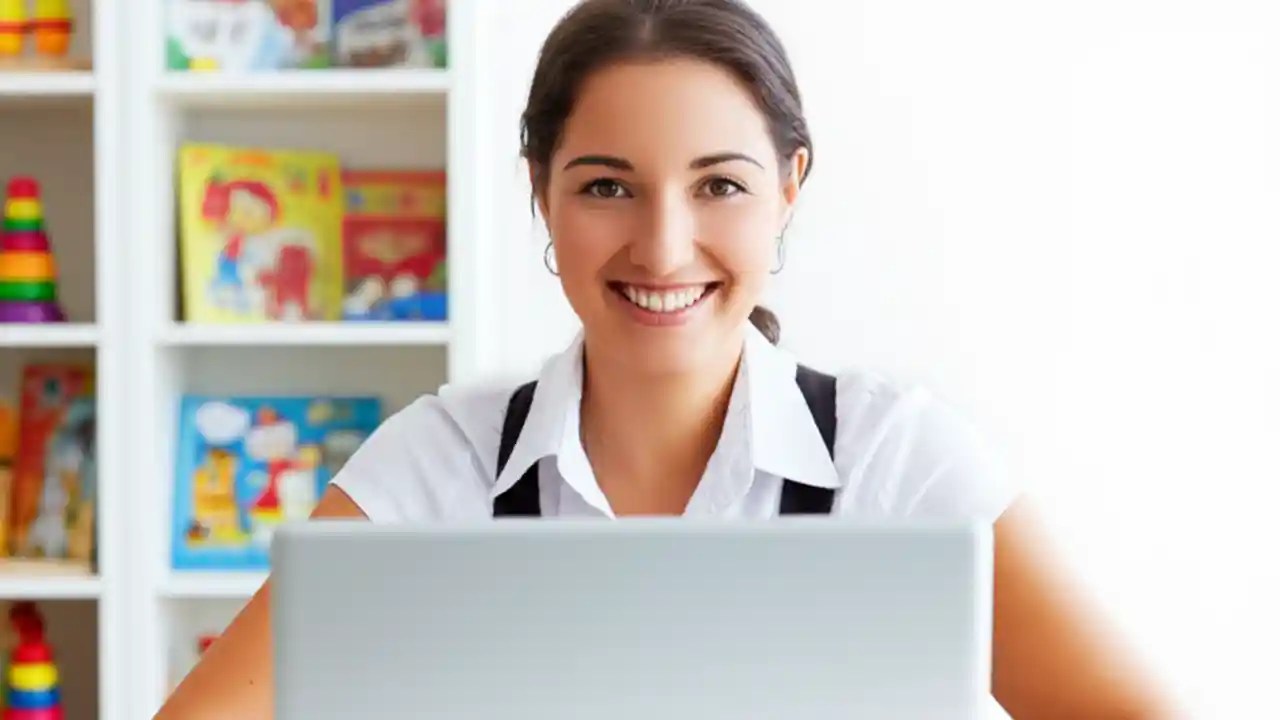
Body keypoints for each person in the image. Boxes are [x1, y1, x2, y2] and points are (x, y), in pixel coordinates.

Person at [155, 1, 1177, 718]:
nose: (662, 245)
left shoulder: (896, 458)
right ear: (538, 192)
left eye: (718, 185)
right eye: (605, 187)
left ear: (789, 189)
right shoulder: (440, 465)